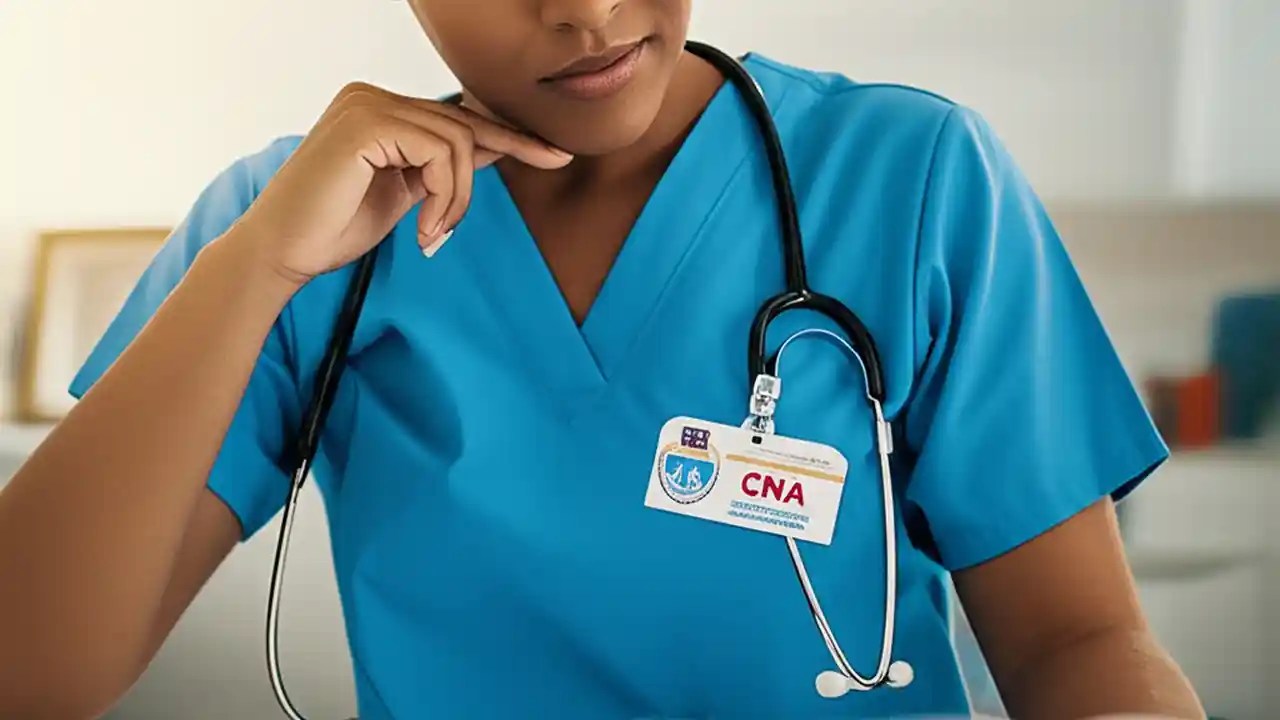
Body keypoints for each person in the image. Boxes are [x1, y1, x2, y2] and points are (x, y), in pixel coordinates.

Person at [0, 2, 1206, 719]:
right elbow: (27, 672)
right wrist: (257, 264)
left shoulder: (912, 174)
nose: (582, 8)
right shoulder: (292, 223)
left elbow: (1077, 644)